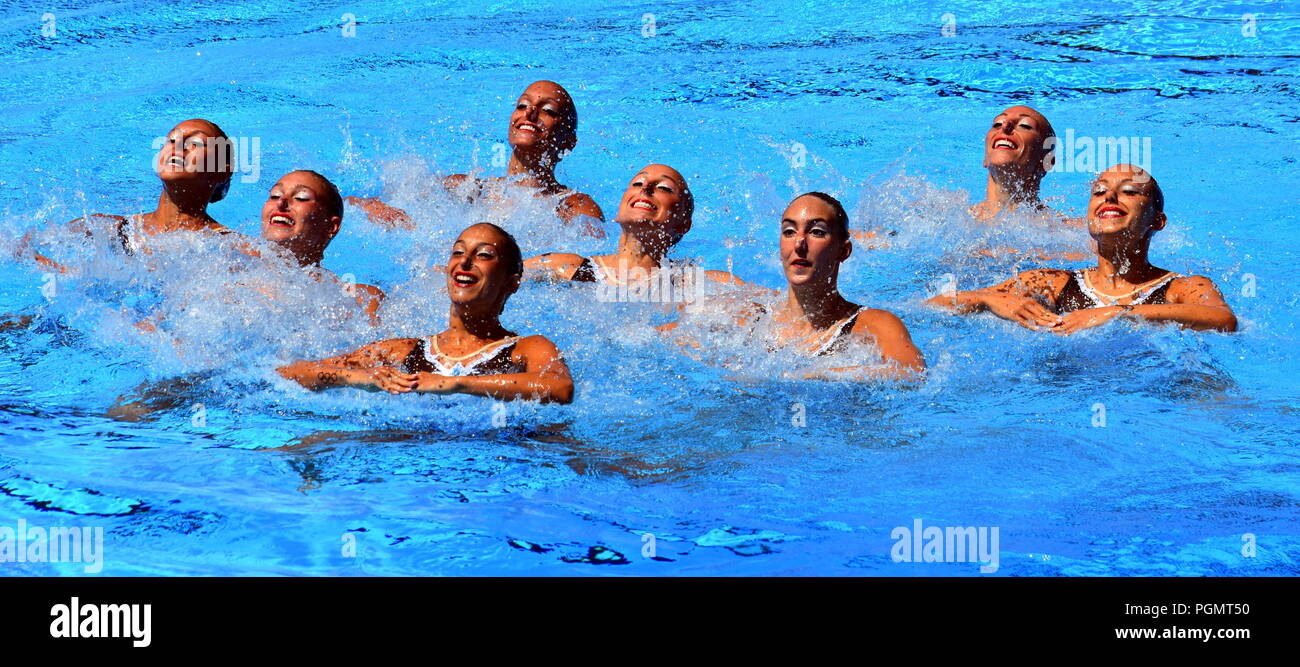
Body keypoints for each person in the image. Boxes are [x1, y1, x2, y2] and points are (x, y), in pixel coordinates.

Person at [277, 223, 574, 403]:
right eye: (458, 252)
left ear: (512, 282)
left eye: (484, 255)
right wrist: (358, 378)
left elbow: (559, 388)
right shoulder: (404, 350)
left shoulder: (527, 348)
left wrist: (456, 385)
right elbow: (293, 373)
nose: (465, 261)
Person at [927, 164, 1237, 333]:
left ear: (1157, 221)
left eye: (1129, 191)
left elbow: (1222, 319)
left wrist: (1118, 314)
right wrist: (989, 298)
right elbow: (933, 305)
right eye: (1099, 191)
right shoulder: (1053, 282)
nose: (1109, 197)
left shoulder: (1182, 287)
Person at [662, 192, 926, 380]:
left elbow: (911, 372)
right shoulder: (750, 315)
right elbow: (656, 339)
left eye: (817, 232)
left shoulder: (870, 324)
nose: (799, 244)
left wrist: (810, 375)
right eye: (789, 232)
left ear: (843, 250)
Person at [347, 80, 603, 234]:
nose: (530, 113)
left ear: (568, 143)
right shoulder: (473, 189)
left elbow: (592, 259)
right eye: (522, 105)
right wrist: (377, 208)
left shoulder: (572, 204)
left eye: (547, 110)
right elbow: (353, 202)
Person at [24, 118, 242, 272]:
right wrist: (65, 273)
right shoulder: (109, 229)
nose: (179, 147)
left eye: (195, 143)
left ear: (221, 170)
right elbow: (23, 249)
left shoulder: (230, 247)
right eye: (172, 140)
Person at [524, 163, 743, 288]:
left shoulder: (699, 283)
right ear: (617, 214)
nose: (645, 187)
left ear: (683, 224)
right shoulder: (572, 269)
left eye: (665, 188)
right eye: (637, 183)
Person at [260, 170, 385, 320]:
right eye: (275, 196)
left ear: (330, 227)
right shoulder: (231, 265)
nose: (281, 203)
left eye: (301, 198)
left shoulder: (358, 298)